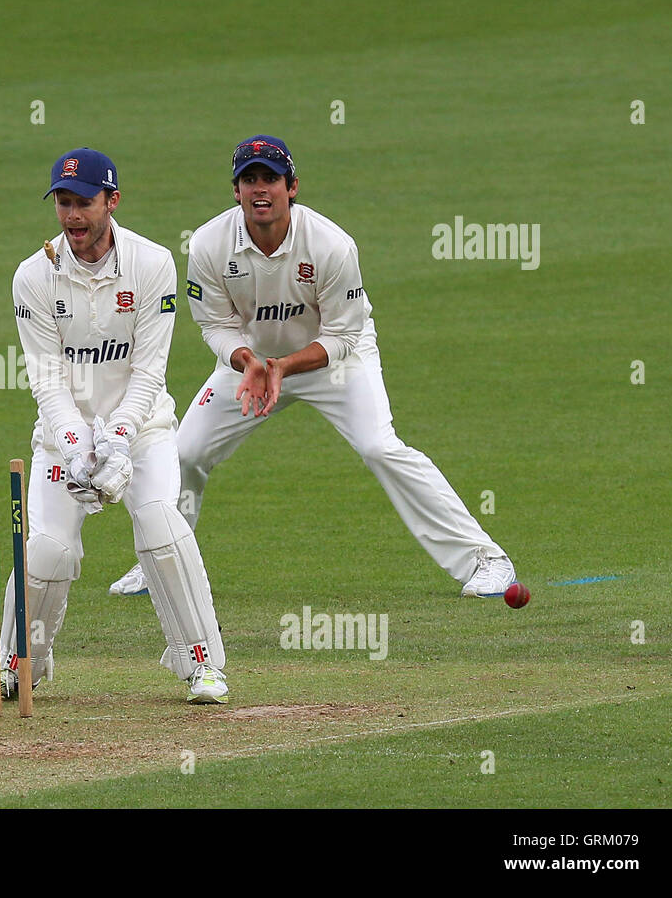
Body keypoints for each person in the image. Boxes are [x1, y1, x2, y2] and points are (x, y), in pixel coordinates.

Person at [108, 135, 521, 601]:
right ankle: (162, 562)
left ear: (292, 187)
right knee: (184, 452)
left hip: (334, 360)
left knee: (379, 447)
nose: (260, 189)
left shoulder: (331, 245)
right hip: (253, 364)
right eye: (249, 179)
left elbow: (344, 335)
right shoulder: (207, 244)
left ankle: (486, 559)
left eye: (270, 178)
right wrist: (249, 362)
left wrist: (283, 365)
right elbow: (216, 325)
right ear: (236, 190)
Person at [0, 148, 229, 705]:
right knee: (46, 549)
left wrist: (117, 441)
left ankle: (202, 664)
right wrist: (78, 446)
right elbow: (46, 381)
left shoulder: (153, 263)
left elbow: (149, 370)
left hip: (145, 430)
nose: (72, 216)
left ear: (111, 200)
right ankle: (19, 665)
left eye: (84, 202)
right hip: (63, 435)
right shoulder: (33, 275)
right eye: (63, 203)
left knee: (162, 527)